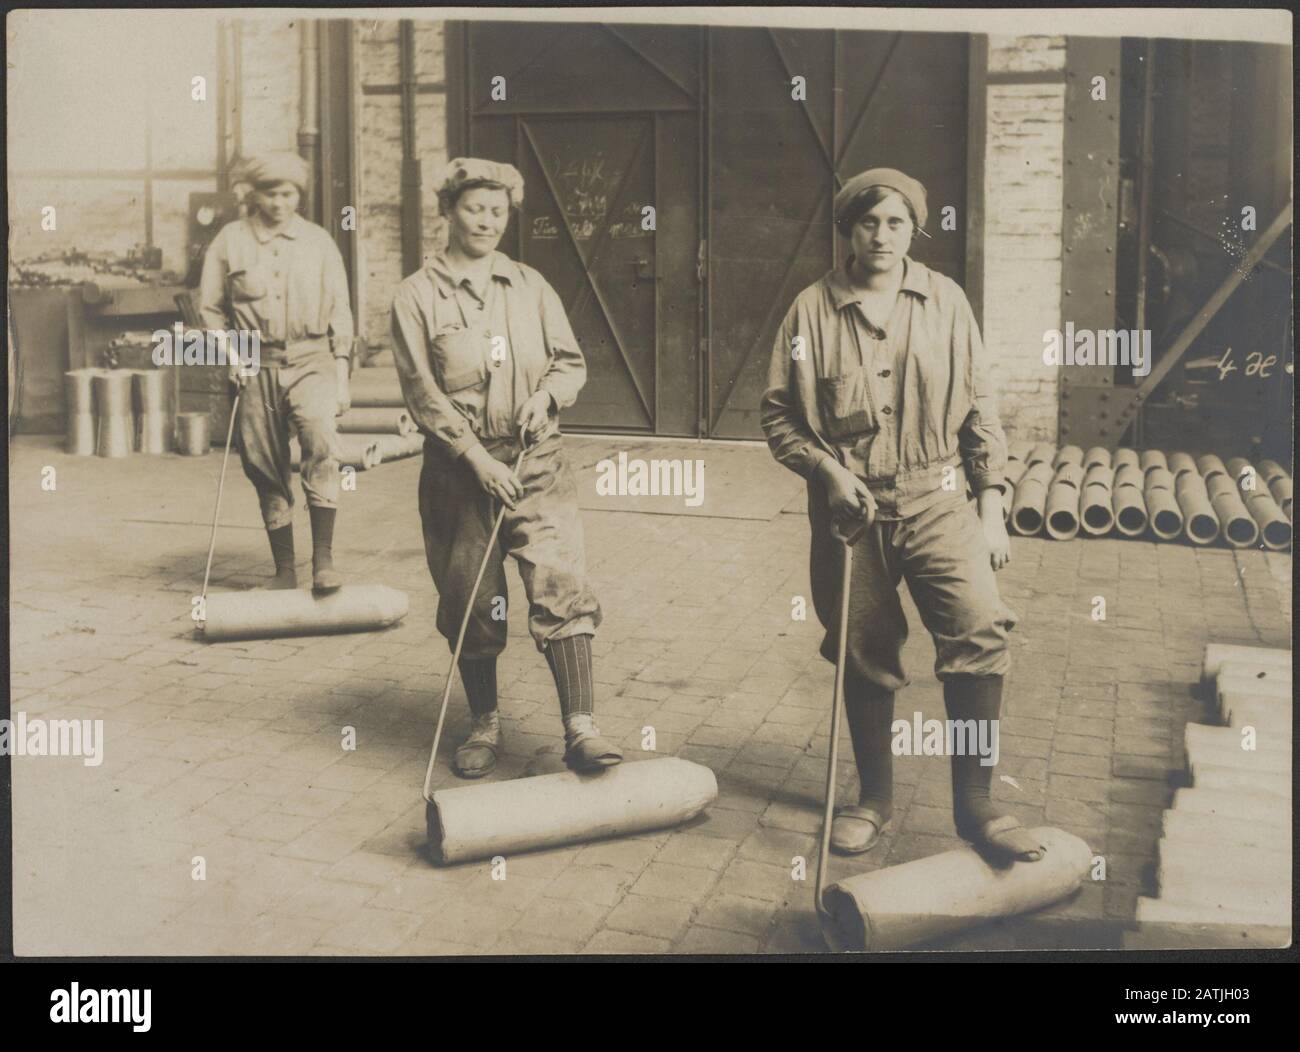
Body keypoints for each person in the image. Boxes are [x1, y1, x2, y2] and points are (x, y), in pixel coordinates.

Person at [761, 167, 1045, 862]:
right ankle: (873, 800)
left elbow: (981, 410)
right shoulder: (810, 311)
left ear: (914, 229)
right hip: (849, 511)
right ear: (848, 230)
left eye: (895, 223)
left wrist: (992, 505)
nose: (881, 236)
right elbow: (778, 416)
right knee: (864, 648)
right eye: (868, 222)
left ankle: (976, 806)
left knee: (980, 628)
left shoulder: (946, 302)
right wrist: (826, 472)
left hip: (938, 497)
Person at [390, 157, 622, 778]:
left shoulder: (530, 285)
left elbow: (568, 362)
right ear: (448, 210)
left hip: (538, 462)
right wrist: (472, 457)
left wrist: (547, 397)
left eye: (499, 210)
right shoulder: (416, 295)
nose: (488, 220)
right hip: (459, 476)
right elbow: (422, 392)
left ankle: (581, 729)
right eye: (474, 208)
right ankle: (484, 725)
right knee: (474, 600)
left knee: (560, 585)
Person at [198, 151, 354, 592]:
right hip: (256, 363)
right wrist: (232, 356)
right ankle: (284, 570)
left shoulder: (320, 242)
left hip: (312, 360)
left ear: (298, 195)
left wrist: (341, 377)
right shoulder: (230, 240)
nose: (280, 202)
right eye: (271, 193)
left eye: (288, 194)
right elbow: (209, 309)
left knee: (322, 440)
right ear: (255, 194)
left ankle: (323, 561)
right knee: (263, 462)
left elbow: (341, 311)